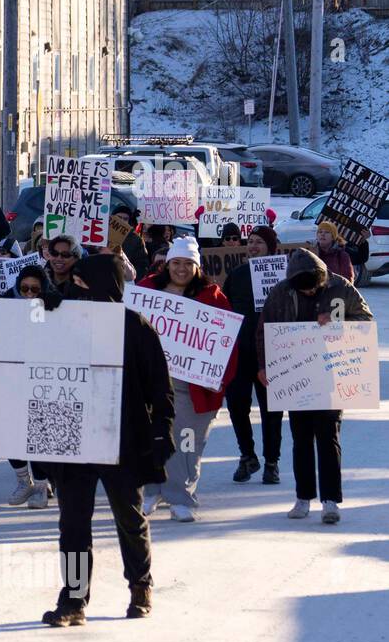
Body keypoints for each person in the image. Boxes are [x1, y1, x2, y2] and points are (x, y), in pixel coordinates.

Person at [42, 254, 175, 627]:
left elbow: (160, 389)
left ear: (105, 285)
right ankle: (73, 600)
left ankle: (140, 586)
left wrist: (161, 429)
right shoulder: (60, 321)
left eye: (84, 283)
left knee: (129, 519)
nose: (76, 288)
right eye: (74, 283)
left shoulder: (135, 327)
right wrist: (39, 313)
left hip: (123, 439)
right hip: (72, 437)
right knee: (73, 524)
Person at [256, 247, 373, 524]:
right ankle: (303, 497)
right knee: (301, 439)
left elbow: (366, 321)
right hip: (296, 376)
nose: (309, 294)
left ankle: (331, 501)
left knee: (328, 437)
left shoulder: (341, 287)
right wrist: (262, 365)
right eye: (303, 292)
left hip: (332, 375)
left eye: (313, 290)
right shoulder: (281, 291)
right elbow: (264, 329)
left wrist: (337, 322)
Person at [138, 237, 236, 523]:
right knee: (148, 437)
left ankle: (181, 497)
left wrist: (219, 377)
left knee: (187, 442)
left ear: (197, 267)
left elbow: (227, 343)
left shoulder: (213, 296)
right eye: (176, 263)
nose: (181, 269)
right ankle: (150, 491)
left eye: (188, 263)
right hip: (150, 382)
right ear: (167, 264)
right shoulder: (145, 292)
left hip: (194, 386)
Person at [222, 225, 284, 484]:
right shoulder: (236, 274)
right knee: (237, 405)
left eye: (259, 242)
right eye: (251, 241)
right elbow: (224, 309)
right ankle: (247, 456)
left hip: (271, 352)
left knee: (272, 410)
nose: (253, 246)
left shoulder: (284, 277)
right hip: (240, 351)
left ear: (271, 246)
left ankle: (272, 462)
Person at [0, 264, 54, 508]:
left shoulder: (56, 305)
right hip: (11, 377)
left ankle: (41, 486)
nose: (29, 294)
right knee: (10, 432)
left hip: (43, 378)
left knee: (38, 433)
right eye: (24, 289)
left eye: (35, 290)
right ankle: (23, 481)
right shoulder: (5, 304)